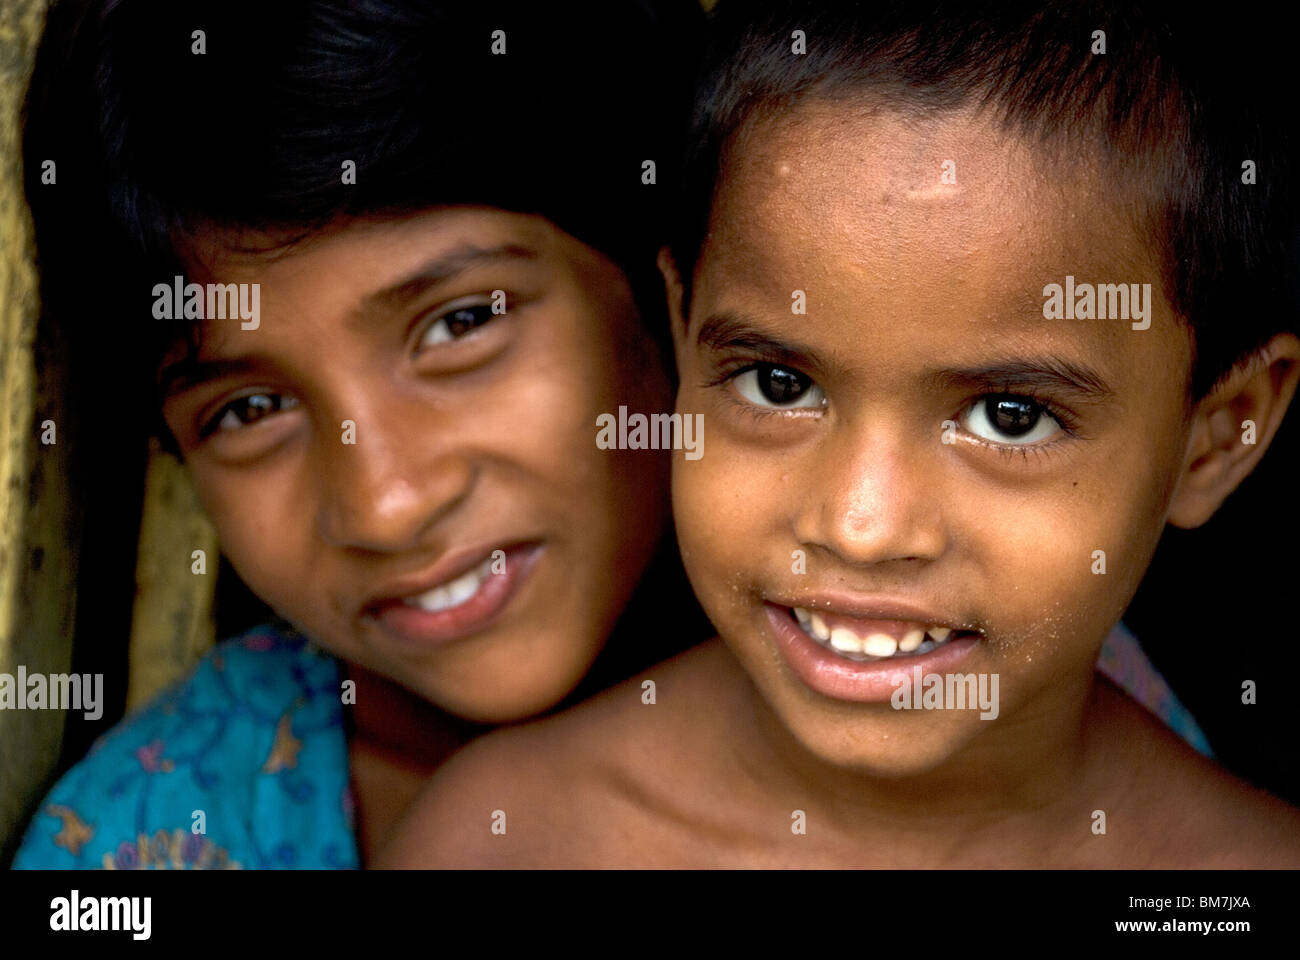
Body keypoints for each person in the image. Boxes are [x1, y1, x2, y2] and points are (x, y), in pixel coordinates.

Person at [377, 0, 1300, 868]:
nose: (860, 527)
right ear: (681, 328)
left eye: (1008, 417)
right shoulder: (511, 840)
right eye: (779, 386)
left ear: (1217, 437)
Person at [12, 0, 710, 869]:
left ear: (672, 285)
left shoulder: (902, 713)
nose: (386, 507)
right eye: (248, 412)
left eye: (459, 325)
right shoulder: (146, 839)